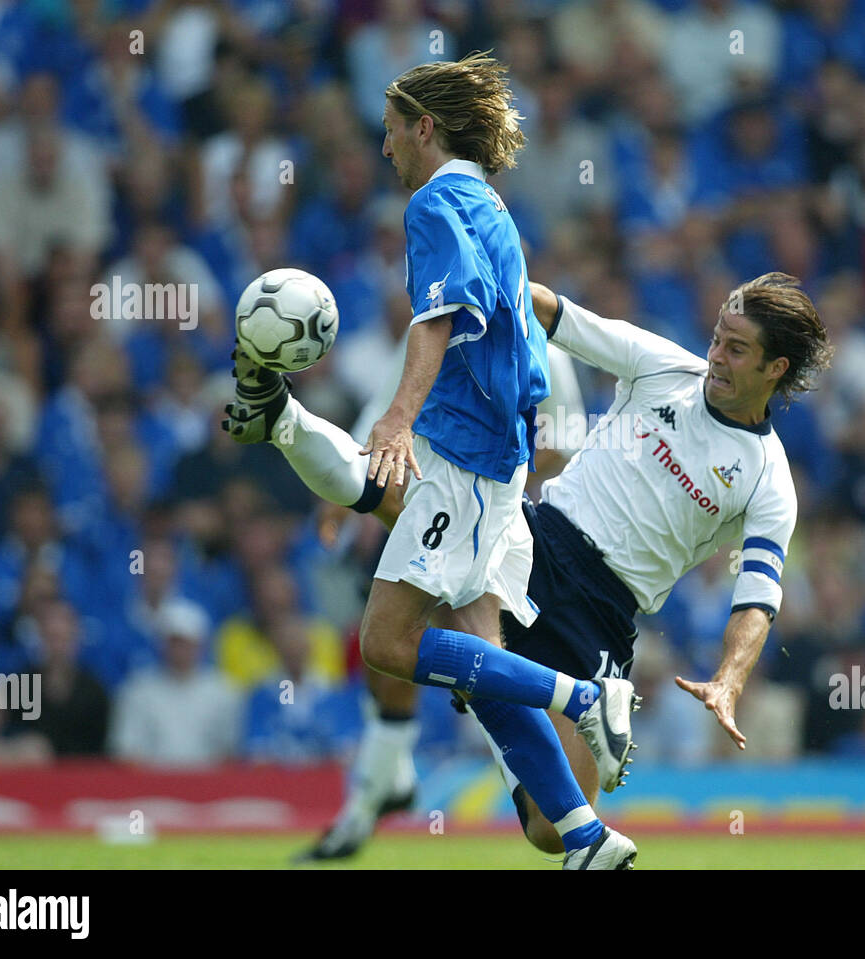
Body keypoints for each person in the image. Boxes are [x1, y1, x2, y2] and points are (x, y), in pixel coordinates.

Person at [223, 54, 636, 869]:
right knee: (480, 661)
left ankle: (584, 696)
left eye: (389, 129)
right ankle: (586, 837)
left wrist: (400, 415)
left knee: (385, 642)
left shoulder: (436, 201)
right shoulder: (489, 206)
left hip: (465, 458)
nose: (382, 148)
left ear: (425, 126)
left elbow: (442, 315)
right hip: (489, 459)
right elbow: (501, 336)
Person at [281, 272, 830, 859]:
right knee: (423, 550)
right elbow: (556, 314)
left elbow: (759, 596)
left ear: (776, 369)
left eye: (736, 349)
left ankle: (518, 705)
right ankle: (280, 417)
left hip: (604, 612)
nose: (715, 356)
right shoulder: (666, 366)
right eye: (718, 337)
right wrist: (485, 272)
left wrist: (729, 679)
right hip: (536, 538)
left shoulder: (769, 479)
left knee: (550, 827)